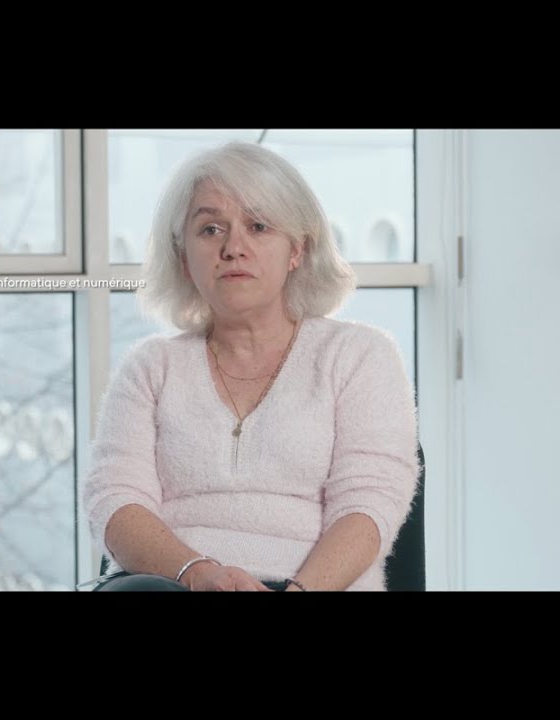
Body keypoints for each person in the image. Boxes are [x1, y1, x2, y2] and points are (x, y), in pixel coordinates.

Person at [82, 142, 419, 591]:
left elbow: (369, 502)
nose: (233, 248)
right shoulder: (149, 368)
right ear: (184, 259)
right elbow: (114, 500)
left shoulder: (359, 356)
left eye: (258, 226)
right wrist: (200, 574)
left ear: (296, 250)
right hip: (173, 583)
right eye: (210, 229)